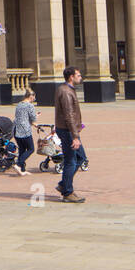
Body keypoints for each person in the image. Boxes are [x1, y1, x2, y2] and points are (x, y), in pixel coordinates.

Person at [54, 67, 85, 202]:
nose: (80, 77)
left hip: (68, 129)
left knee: (80, 157)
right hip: (67, 131)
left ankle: (63, 185)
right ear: (71, 77)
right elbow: (69, 115)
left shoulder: (67, 89)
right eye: (78, 75)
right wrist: (75, 136)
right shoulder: (66, 92)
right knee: (71, 161)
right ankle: (67, 192)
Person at [13, 89, 38, 175]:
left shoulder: (19, 104)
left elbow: (22, 116)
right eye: (34, 97)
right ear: (30, 96)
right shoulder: (30, 106)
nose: (34, 99)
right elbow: (33, 119)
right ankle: (18, 164)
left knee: (22, 149)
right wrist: (35, 122)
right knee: (31, 149)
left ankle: (22, 170)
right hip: (24, 130)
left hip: (16, 129)